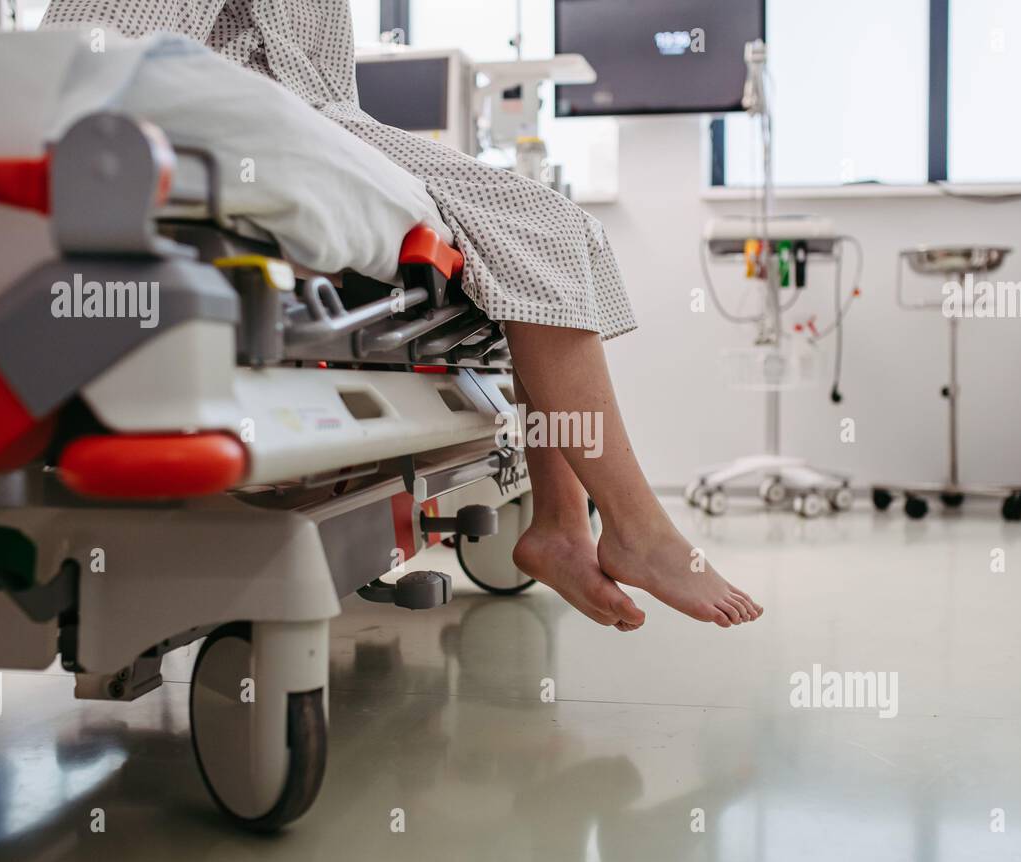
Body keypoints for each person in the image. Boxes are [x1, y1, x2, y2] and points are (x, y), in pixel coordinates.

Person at [41, 0, 762, 629]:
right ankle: (630, 529)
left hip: (322, 127)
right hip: (285, 129)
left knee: (557, 232)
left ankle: (565, 524)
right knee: (544, 230)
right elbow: (91, 55)